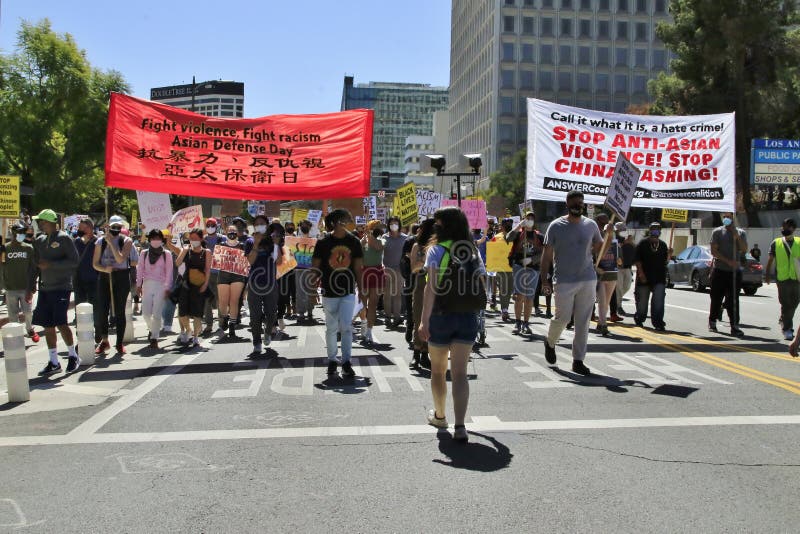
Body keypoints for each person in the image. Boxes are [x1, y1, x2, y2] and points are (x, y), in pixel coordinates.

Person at [418, 207, 487, 442]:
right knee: (460, 374)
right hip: (467, 316)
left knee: (438, 371)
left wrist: (423, 321)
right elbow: (481, 282)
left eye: (437, 222)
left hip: (440, 316)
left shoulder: (436, 250)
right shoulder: (472, 250)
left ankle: (439, 416)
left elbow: (431, 288)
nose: (434, 226)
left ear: (444, 226)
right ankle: (460, 426)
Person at [540, 191, 603, 375]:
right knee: (563, 318)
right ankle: (550, 342)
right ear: (567, 204)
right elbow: (546, 255)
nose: (578, 206)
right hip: (563, 281)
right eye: (574, 203)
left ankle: (578, 360)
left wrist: (607, 235)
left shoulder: (591, 225)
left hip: (587, 279)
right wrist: (544, 280)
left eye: (580, 203)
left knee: (583, 322)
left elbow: (599, 247)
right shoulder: (555, 226)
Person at [310, 209, 364, 377]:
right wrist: (312, 289)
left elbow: (358, 268)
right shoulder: (323, 242)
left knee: (346, 327)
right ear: (334, 223)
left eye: (347, 219)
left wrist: (362, 290)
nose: (346, 222)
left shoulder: (354, 241)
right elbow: (315, 267)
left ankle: (346, 362)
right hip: (328, 291)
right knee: (331, 328)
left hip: (348, 291)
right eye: (343, 220)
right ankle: (332, 360)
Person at [31, 209, 80, 375]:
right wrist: (31, 286)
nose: (39, 224)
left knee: (61, 322)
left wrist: (51, 265)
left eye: (42, 221)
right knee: (48, 325)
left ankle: (73, 356)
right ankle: (53, 362)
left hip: (61, 287)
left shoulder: (64, 238)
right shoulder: (39, 240)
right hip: (45, 288)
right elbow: (36, 265)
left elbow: (74, 261)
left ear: (50, 222)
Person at [92, 215, 134, 355]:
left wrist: (111, 243)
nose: (116, 229)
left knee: (120, 311)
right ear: (109, 227)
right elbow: (95, 263)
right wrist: (104, 269)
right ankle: (104, 341)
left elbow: (120, 259)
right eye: (113, 227)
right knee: (102, 310)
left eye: (118, 227)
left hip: (121, 276)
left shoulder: (126, 240)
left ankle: (119, 342)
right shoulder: (100, 241)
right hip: (105, 276)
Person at [246, 221, 284, 353]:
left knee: (272, 313)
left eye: (263, 223)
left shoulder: (273, 242)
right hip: (254, 284)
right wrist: (256, 243)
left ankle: (267, 332)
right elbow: (250, 261)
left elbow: (278, 261)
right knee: (255, 315)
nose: (260, 226)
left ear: (267, 227)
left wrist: (276, 244)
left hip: (270, 283)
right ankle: (256, 341)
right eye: (258, 223)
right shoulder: (250, 242)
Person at [708, 212, 747, 336]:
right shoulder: (717, 232)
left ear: (733, 217)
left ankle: (734, 325)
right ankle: (712, 321)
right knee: (716, 298)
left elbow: (744, 249)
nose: (726, 219)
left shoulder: (741, 233)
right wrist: (728, 261)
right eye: (724, 217)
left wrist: (736, 235)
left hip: (734, 273)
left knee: (733, 300)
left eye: (728, 217)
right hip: (720, 270)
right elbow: (714, 251)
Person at [505, 211, 544, 335]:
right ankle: (517, 322)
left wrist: (532, 259)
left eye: (532, 218)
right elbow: (508, 238)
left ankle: (526, 323)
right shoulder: (518, 234)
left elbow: (545, 252)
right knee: (519, 296)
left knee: (529, 296)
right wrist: (518, 226)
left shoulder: (539, 236)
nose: (530, 220)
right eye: (527, 218)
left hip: (533, 268)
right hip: (519, 267)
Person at [136, 229, 173, 349]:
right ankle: (152, 329)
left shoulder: (166, 254)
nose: (155, 241)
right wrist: (138, 285)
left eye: (158, 238)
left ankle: (154, 337)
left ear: (162, 240)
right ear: (149, 240)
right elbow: (140, 269)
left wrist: (167, 287)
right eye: (153, 238)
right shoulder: (144, 253)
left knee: (157, 313)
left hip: (161, 286)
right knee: (146, 313)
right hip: (147, 284)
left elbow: (169, 272)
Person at [175, 228, 211, 347]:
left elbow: (207, 270)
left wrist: (205, 284)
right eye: (191, 238)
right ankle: (188, 330)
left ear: (201, 239)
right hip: (186, 284)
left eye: (195, 238)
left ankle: (195, 336)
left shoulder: (206, 252)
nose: (193, 241)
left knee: (197, 313)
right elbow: (177, 263)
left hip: (199, 285)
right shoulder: (186, 250)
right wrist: (184, 251)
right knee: (182, 312)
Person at [765, 218, 800, 340]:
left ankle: (783, 319)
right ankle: (787, 329)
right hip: (782, 278)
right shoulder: (776, 242)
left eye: (787, 226)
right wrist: (767, 274)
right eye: (783, 226)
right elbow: (770, 260)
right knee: (785, 303)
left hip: (796, 278)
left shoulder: (799, 242)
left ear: (793, 229)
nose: (784, 228)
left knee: (795, 302)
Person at [3, 222, 38, 342]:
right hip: (10, 287)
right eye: (20, 233)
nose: (22, 235)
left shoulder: (28, 248)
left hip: (25, 287)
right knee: (13, 315)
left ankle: (30, 329)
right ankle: (16, 335)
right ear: (14, 234)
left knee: (28, 312)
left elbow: (33, 268)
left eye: (23, 233)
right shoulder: (5, 248)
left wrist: (33, 285)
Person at [633, 222, 670, 331]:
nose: (655, 231)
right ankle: (639, 318)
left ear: (660, 232)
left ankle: (658, 322)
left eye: (657, 229)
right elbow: (637, 260)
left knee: (659, 301)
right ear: (650, 231)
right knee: (642, 302)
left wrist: (669, 255)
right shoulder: (642, 244)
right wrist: (641, 274)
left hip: (659, 278)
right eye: (653, 229)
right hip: (644, 277)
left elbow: (665, 262)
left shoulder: (663, 245)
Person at [409, 219, 435, 369]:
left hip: (436, 288)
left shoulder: (438, 247)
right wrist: (425, 259)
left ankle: (426, 353)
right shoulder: (416, 246)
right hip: (420, 287)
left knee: (432, 321)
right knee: (419, 319)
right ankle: (416, 353)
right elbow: (414, 268)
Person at [215, 224, 248, 337]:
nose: (231, 232)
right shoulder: (221, 244)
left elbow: (246, 261)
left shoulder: (242, 246)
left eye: (234, 230)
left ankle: (232, 324)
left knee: (234, 300)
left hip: (237, 276)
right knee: (223, 301)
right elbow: (217, 259)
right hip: (223, 275)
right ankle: (224, 317)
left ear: (237, 233)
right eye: (229, 230)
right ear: (226, 232)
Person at [360, 219, 385, 344]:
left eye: (379, 227)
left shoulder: (382, 240)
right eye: (376, 227)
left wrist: (369, 236)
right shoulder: (363, 240)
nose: (379, 229)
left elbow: (378, 247)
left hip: (377, 272)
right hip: (364, 272)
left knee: (373, 304)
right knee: (363, 304)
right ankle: (364, 324)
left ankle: (370, 330)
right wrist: (363, 241)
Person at [380, 216, 407, 329]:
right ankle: (387, 316)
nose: (394, 225)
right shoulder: (384, 237)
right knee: (387, 294)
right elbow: (380, 252)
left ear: (399, 225)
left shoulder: (405, 238)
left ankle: (397, 317)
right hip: (387, 269)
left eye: (396, 223)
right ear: (388, 225)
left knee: (397, 294)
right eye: (391, 223)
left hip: (400, 269)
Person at [202, 217, 226, 335]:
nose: (210, 227)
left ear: (216, 227)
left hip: (220, 274)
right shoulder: (202, 239)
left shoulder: (223, 238)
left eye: (212, 225)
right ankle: (209, 324)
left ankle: (222, 322)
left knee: (221, 300)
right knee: (206, 300)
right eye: (208, 225)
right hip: (206, 274)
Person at [595, 221, 619, 336]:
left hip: (612, 276)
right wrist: (596, 267)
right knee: (602, 301)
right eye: (607, 231)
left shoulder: (616, 245)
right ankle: (604, 324)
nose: (610, 233)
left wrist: (619, 261)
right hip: (601, 277)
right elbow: (592, 259)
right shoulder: (598, 244)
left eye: (612, 231)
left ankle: (600, 323)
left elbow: (620, 261)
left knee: (606, 302)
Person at [73, 218, 98, 324]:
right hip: (79, 278)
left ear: (90, 228)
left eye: (82, 227)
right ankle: (80, 322)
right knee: (79, 303)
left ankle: (95, 324)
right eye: (79, 227)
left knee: (94, 303)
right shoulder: (77, 242)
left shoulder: (98, 242)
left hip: (94, 278)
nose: (80, 230)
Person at [294, 219, 318, 324]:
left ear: (310, 227)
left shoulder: (314, 241)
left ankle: (310, 312)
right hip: (299, 269)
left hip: (311, 270)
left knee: (310, 291)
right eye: (302, 225)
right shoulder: (294, 241)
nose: (304, 227)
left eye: (306, 226)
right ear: (299, 227)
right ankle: (301, 313)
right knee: (300, 292)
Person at [492, 218, 515, 322]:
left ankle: (505, 308)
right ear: (502, 226)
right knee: (503, 289)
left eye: (510, 224)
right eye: (506, 224)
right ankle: (504, 310)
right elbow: (492, 252)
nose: (508, 225)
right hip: (501, 267)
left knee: (509, 290)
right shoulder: (496, 237)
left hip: (513, 267)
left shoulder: (515, 236)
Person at [612, 222, 635, 318]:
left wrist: (631, 242)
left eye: (624, 229)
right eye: (621, 229)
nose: (622, 230)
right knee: (619, 288)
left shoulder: (628, 239)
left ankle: (615, 299)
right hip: (618, 267)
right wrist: (623, 243)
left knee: (627, 286)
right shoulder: (614, 238)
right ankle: (618, 306)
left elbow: (634, 250)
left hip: (627, 267)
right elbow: (614, 249)